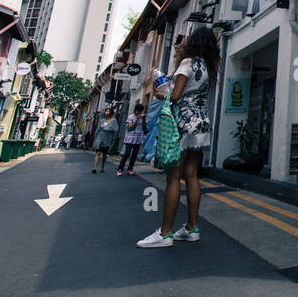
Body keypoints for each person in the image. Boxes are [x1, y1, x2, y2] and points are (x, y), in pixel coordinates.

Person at [137, 27, 218, 248]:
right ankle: (192, 228)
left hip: (182, 123)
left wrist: (159, 93)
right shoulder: (209, 66)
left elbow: (174, 96)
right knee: (192, 174)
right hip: (201, 124)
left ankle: (165, 233)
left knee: (173, 176)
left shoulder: (187, 63)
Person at [91, 108, 117, 173]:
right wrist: (95, 138)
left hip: (107, 139)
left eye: (108, 111)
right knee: (98, 153)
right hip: (99, 138)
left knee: (104, 154)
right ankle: (94, 167)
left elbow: (115, 130)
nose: (106, 112)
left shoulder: (113, 120)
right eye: (106, 111)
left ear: (111, 113)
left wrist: (112, 137)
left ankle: (102, 167)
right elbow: (97, 129)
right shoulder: (101, 120)